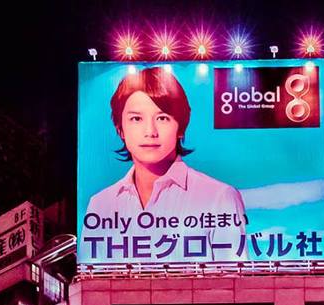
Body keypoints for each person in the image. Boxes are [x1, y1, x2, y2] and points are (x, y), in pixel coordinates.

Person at [84, 66, 248, 263]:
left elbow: (232, 285)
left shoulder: (220, 197)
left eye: (162, 118)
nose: (150, 131)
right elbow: (93, 286)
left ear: (181, 127)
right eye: (136, 118)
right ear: (120, 129)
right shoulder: (100, 205)